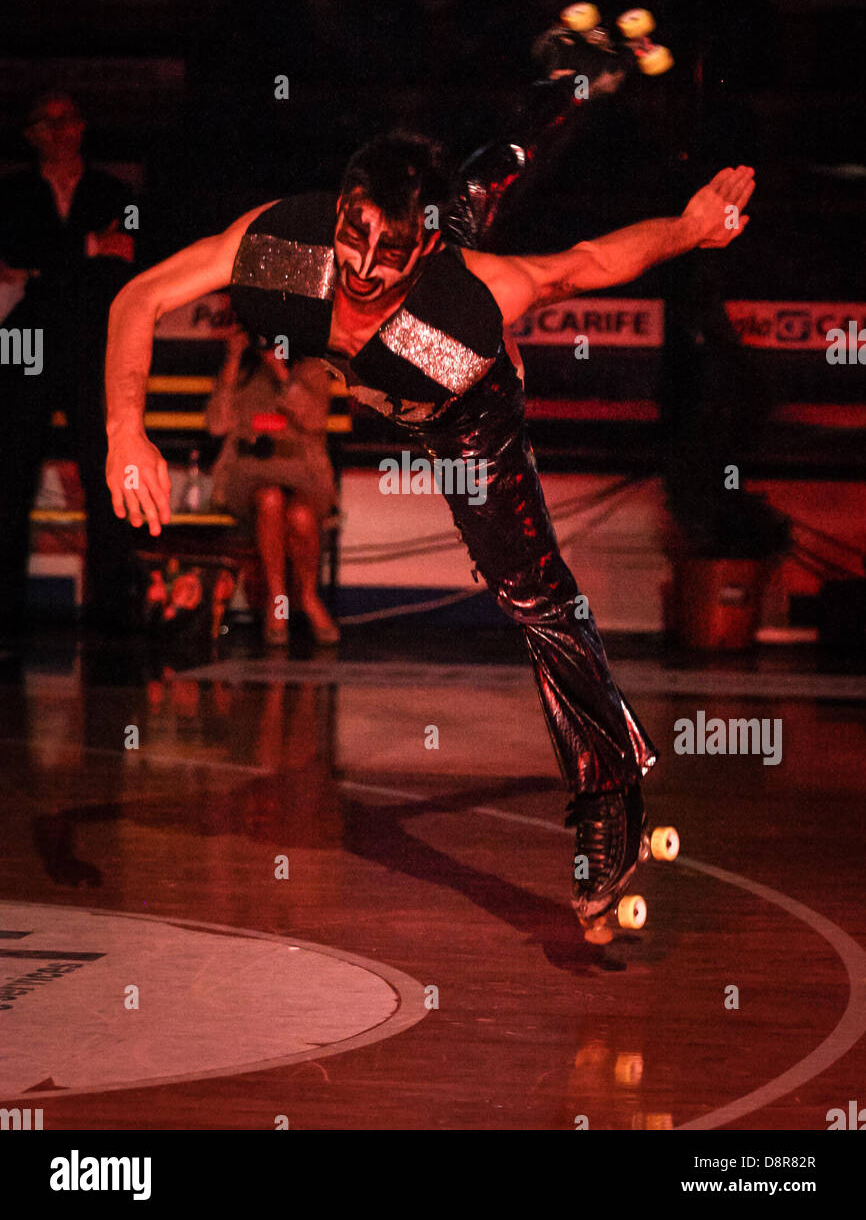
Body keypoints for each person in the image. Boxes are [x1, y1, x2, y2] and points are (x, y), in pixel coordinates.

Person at [103, 132, 754, 927]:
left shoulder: (473, 301)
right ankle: (552, 99)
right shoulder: (285, 246)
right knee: (474, 190)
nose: (363, 266)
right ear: (340, 208)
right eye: (354, 233)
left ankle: (607, 790)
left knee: (534, 593)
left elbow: (585, 263)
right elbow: (136, 298)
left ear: (425, 249)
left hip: (461, 409)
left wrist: (691, 227)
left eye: (392, 250)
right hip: (385, 360)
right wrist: (124, 430)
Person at [0, 91, 136, 644]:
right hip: (25, 340)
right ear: (30, 133)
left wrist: (50, 260)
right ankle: (6, 615)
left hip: (89, 339)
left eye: (69, 120)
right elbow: (12, 253)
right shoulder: (11, 191)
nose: (60, 130)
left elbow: (125, 255)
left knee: (104, 474)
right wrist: (85, 245)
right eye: (48, 122)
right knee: (11, 475)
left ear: (82, 127)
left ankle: (112, 615)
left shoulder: (114, 191)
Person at [204, 328, 339, 646]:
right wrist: (235, 357)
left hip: (302, 474)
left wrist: (280, 369)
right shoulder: (241, 371)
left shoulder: (310, 369)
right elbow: (217, 424)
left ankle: (307, 597)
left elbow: (314, 417)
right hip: (247, 474)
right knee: (270, 498)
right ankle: (278, 601)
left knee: (301, 516)